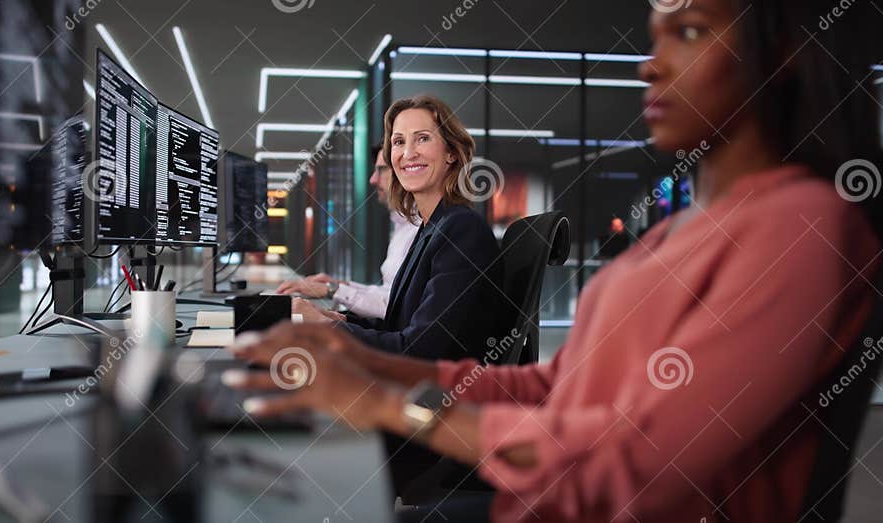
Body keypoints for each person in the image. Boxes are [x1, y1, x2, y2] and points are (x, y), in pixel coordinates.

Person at [221, 1, 883, 521]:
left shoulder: (804, 227)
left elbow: (637, 463)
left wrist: (390, 404)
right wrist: (363, 362)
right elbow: (552, 386)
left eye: (689, 32)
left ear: (785, 50)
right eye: (654, 37)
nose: (649, 65)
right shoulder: (674, 237)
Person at [293, 95, 504, 363]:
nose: (408, 153)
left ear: (451, 152)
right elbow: (398, 326)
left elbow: (420, 351)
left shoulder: (462, 230)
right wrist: (336, 318)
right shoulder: (431, 228)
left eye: (423, 138)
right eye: (399, 142)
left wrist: (331, 329)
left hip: (439, 396)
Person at [274, 146, 419, 320]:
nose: (373, 179)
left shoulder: (420, 228)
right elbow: (389, 293)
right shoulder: (402, 224)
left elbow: (395, 307)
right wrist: (340, 285)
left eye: (381, 170)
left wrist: (332, 290)